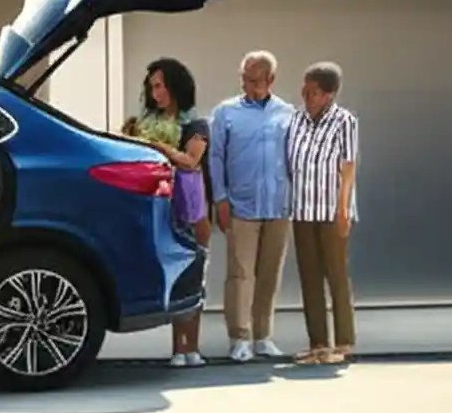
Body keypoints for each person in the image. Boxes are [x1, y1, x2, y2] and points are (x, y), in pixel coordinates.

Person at [124, 58, 211, 368]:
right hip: (158, 209)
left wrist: (160, 149)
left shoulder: (194, 124)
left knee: (193, 276)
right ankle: (177, 349)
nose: (155, 92)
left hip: (190, 208)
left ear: (175, 86)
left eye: (160, 85)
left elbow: (190, 160)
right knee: (174, 276)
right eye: (152, 87)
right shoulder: (141, 122)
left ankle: (193, 347)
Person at [208, 50, 294, 363]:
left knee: (269, 274)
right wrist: (220, 198)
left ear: (271, 80)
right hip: (240, 205)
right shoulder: (225, 113)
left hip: (278, 205)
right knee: (240, 274)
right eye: (245, 79)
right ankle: (239, 337)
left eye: (255, 80)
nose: (248, 85)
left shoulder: (287, 113)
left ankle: (263, 336)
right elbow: (215, 157)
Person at [287, 62, 360, 365]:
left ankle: (343, 343)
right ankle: (318, 343)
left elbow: (348, 166)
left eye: (314, 91)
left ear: (329, 94)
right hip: (303, 209)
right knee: (310, 277)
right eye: (305, 89)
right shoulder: (296, 119)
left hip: (331, 209)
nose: (307, 95)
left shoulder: (344, 121)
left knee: (336, 274)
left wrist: (343, 208)